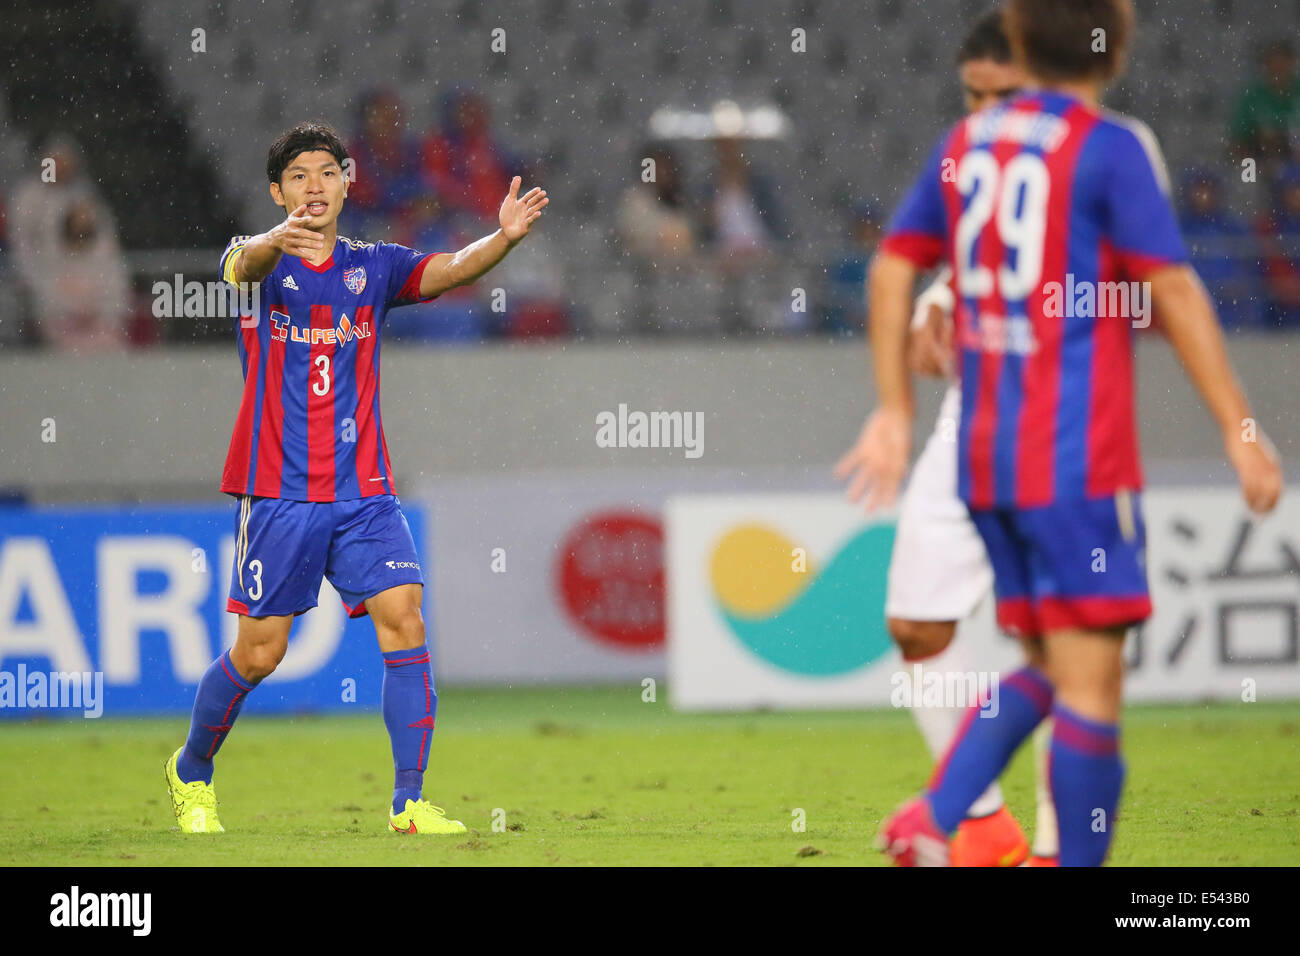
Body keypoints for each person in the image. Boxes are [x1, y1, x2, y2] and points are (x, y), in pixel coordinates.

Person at [838, 0, 1281, 866]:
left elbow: (897, 263)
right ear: (1113, 45)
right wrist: (1241, 425)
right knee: (1090, 686)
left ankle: (943, 816)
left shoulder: (970, 148)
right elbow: (1175, 291)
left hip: (988, 460)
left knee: (1047, 664)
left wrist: (892, 407)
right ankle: (1026, 846)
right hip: (1074, 456)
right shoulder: (1106, 147)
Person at [163, 121, 547, 836]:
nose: (315, 186)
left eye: (327, 172)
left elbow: (451, 269)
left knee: (404, 616)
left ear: (347, 182)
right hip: (279, 489)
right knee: (262, 650)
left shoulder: (373, 266)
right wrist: (269, 241)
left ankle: (408, 802)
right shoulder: (260, 266)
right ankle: (190, 771)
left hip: (364, 489)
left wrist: (503, 240)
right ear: (278, 191)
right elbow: (235, 267)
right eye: (299, 176)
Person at [838, 8, 1053, 868]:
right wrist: (932, 315)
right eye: (972, 95)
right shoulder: (962, 160)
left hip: (1058, 432)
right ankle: (988, 823)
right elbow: (916, 267)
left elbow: (1162, 288)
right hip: (967, 428)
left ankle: (1055, 850)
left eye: (1003, 95)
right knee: (918, 627)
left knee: (1055, 649)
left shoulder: (1093, 160)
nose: (985, 112)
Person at [1179, 168, 1266, 329]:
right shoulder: (1179, 228)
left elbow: (1252, 270)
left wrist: (1235, 287)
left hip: (1232, 314)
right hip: (1191, 311)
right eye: (1198, 189)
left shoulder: (1233, 227)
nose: (1203, 195)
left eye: (1208, 188)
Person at [1229, 41, 1300, 170]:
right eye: (1273, 62)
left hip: (1295, 158)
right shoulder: (1253, 96)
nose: (1278, 67)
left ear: (1292, 63)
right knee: (1247, 171)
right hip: (1261, 158)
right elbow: (1237, 139)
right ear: (1265, 65)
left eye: (1282, 62)